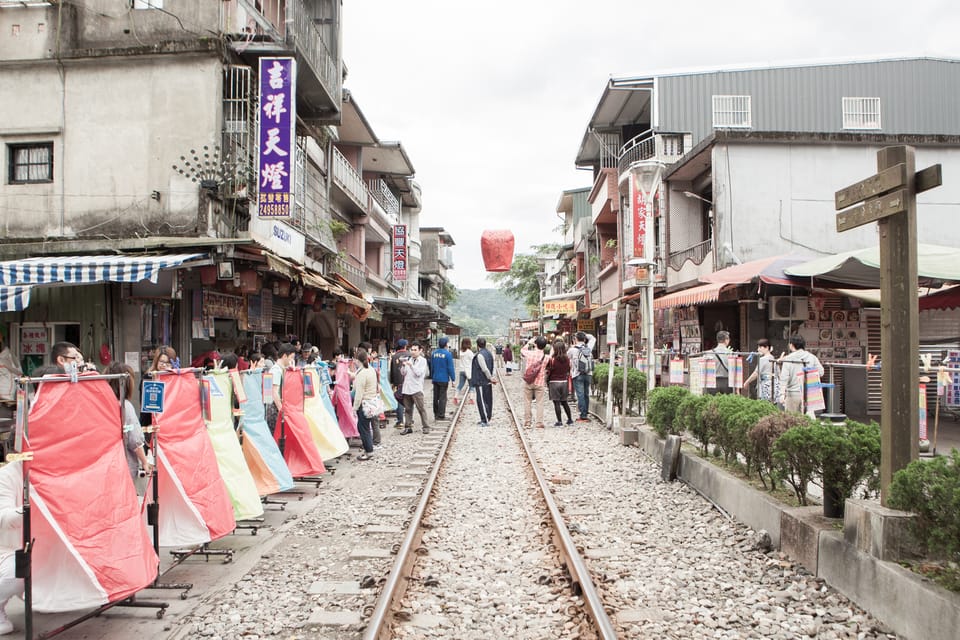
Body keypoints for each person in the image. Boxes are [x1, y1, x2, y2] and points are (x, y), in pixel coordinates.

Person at [107, 362, 153, 491]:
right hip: (124, 465)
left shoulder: (103, 404)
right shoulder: (125, 407)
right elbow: (135, 439)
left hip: (106, 465)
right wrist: (144, 462)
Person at [0, 460, 23, 635]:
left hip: (46, 548)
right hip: (8, 549)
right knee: (18, 571)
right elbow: (3, 517)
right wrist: (31, 508)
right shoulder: (6, 475)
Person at [779, 335, 824, 417]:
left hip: (792, 393)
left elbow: (784, 378)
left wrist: (782, 394)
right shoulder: (812, 357)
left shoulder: (788, 358)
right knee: (808, 420)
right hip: (809, 394)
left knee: (792, 420)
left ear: (791, 345)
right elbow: (821, 372)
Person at [351, 349, 379, 460]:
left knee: (363, 428)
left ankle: (369, 451)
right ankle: (368, 448)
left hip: (364, 403)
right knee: (365, 427)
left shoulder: (362, 374)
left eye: (354, 359)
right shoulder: (370, 370)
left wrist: (354, 407)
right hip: (371, 402)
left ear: (358, 360)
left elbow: (359, 393)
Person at [399, 342, 431, 435]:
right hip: (407, 388)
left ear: (420, 350)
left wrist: (411, 365)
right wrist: (403, 366)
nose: (413, 352)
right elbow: (403, 373)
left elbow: (419, 373)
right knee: (408, 409)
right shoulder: (409, 359)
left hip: (416, 388)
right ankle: (408, 427)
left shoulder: (423, 361)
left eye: (415, 350)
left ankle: (426, 426)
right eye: (412, 350)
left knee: (421, 408)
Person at [266, 343, 297, 431]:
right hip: (274, 409)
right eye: (291, 357)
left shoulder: (280, 369)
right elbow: (274, 392)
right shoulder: (276, 370)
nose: (292, 360)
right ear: (284, 356)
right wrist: (281, 410)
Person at [520, 336, 549, 428]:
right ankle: (539, 422)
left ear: (535, 344)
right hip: (539, 382)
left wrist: (530, 342)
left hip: (529, 381)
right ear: (545, 346)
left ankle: (527, 422)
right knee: (540, 402)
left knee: (527, 401)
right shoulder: (546, 357)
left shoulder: (529, 353)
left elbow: (522, 350)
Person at [567, 332, 596, 422]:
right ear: (584, 339)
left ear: (575, 339)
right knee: (586, 394)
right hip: (588, 374)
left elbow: (567, 357)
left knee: (580, 395)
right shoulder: (589, 347)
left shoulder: (572, 350)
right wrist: (584, 335)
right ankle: (585, 413)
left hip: (577, 374)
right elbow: (593, 338)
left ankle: (583, 416)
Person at [546, 339, 573, 426]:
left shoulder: (552, 359)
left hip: (554, 382)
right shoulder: (567, 359)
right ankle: (570, 419)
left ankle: (559, 421)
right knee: (564, 402)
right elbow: (569, 369)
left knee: (556, 402)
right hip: (564, 382)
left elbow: (548, 370)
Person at [472, 337, 497, 426]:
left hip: (481, 381)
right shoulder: (489, 353)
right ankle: (487, 417)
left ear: (477, 345)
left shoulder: (480, 355)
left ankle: (485, 420)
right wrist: (492, 377)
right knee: (488, 399)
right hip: (487, 381)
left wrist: (490, 377)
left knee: (482, 400)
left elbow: (484, 369)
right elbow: (493, 366)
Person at [743, 339, 778, 404]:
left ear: (767, 347)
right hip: (774, 385)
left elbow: (756, 373)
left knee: (763, 405)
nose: (758, 349)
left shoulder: (763, 359)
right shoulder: (772, 358)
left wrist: (747, 382)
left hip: (765, 386)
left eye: (760, 347)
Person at [430, 337, 456, 421]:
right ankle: (441, 415)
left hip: (435, 378)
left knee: (435, 396)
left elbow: (432, 366)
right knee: (442, 397)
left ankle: (436, 413)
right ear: (446, 344)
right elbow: (450, 368)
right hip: (444, 379)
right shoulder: (448, 354)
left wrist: (432, 376)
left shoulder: (434, 353)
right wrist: (453, 379)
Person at [389, 339, 410, 428]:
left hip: (398, 382)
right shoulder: (410, 355)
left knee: (400, 401)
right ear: (405, 346)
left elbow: (392, 371)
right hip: (409, 381)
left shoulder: (394, 356)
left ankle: (400, 421)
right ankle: (410, 420)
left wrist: (393, 382)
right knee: (410, 400)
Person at [706, 330, 733, 395]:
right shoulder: (731, 354)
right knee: (726, 400)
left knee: (713, 401)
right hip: (727, 382)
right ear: (726, 340)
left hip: (712, 382)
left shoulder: (708, 353)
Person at [454, 338, 474, 405]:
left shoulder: (460, 352)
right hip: (468, 370)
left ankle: (455, 397)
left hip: (462, 370)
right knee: (471, 385)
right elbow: (473, 361)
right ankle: (471, 399)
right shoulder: (469, 352)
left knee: (460, 384)